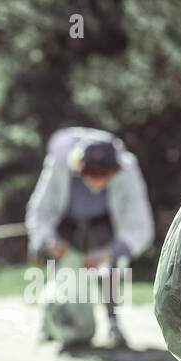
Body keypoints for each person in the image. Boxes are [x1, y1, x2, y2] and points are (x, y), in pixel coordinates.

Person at [24, 128, 154, 348]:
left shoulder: (127, 169)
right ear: (79, 166)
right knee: (59, 269)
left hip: (102, 225)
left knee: (109, 271)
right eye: (91, 173)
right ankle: (49, 321)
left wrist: (112, 251)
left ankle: (113, 323)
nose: (96, 181)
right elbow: (40, 210)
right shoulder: (59, 163)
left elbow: (140, 224)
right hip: (67, 224)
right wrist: (47, 241)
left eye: (103, 175)